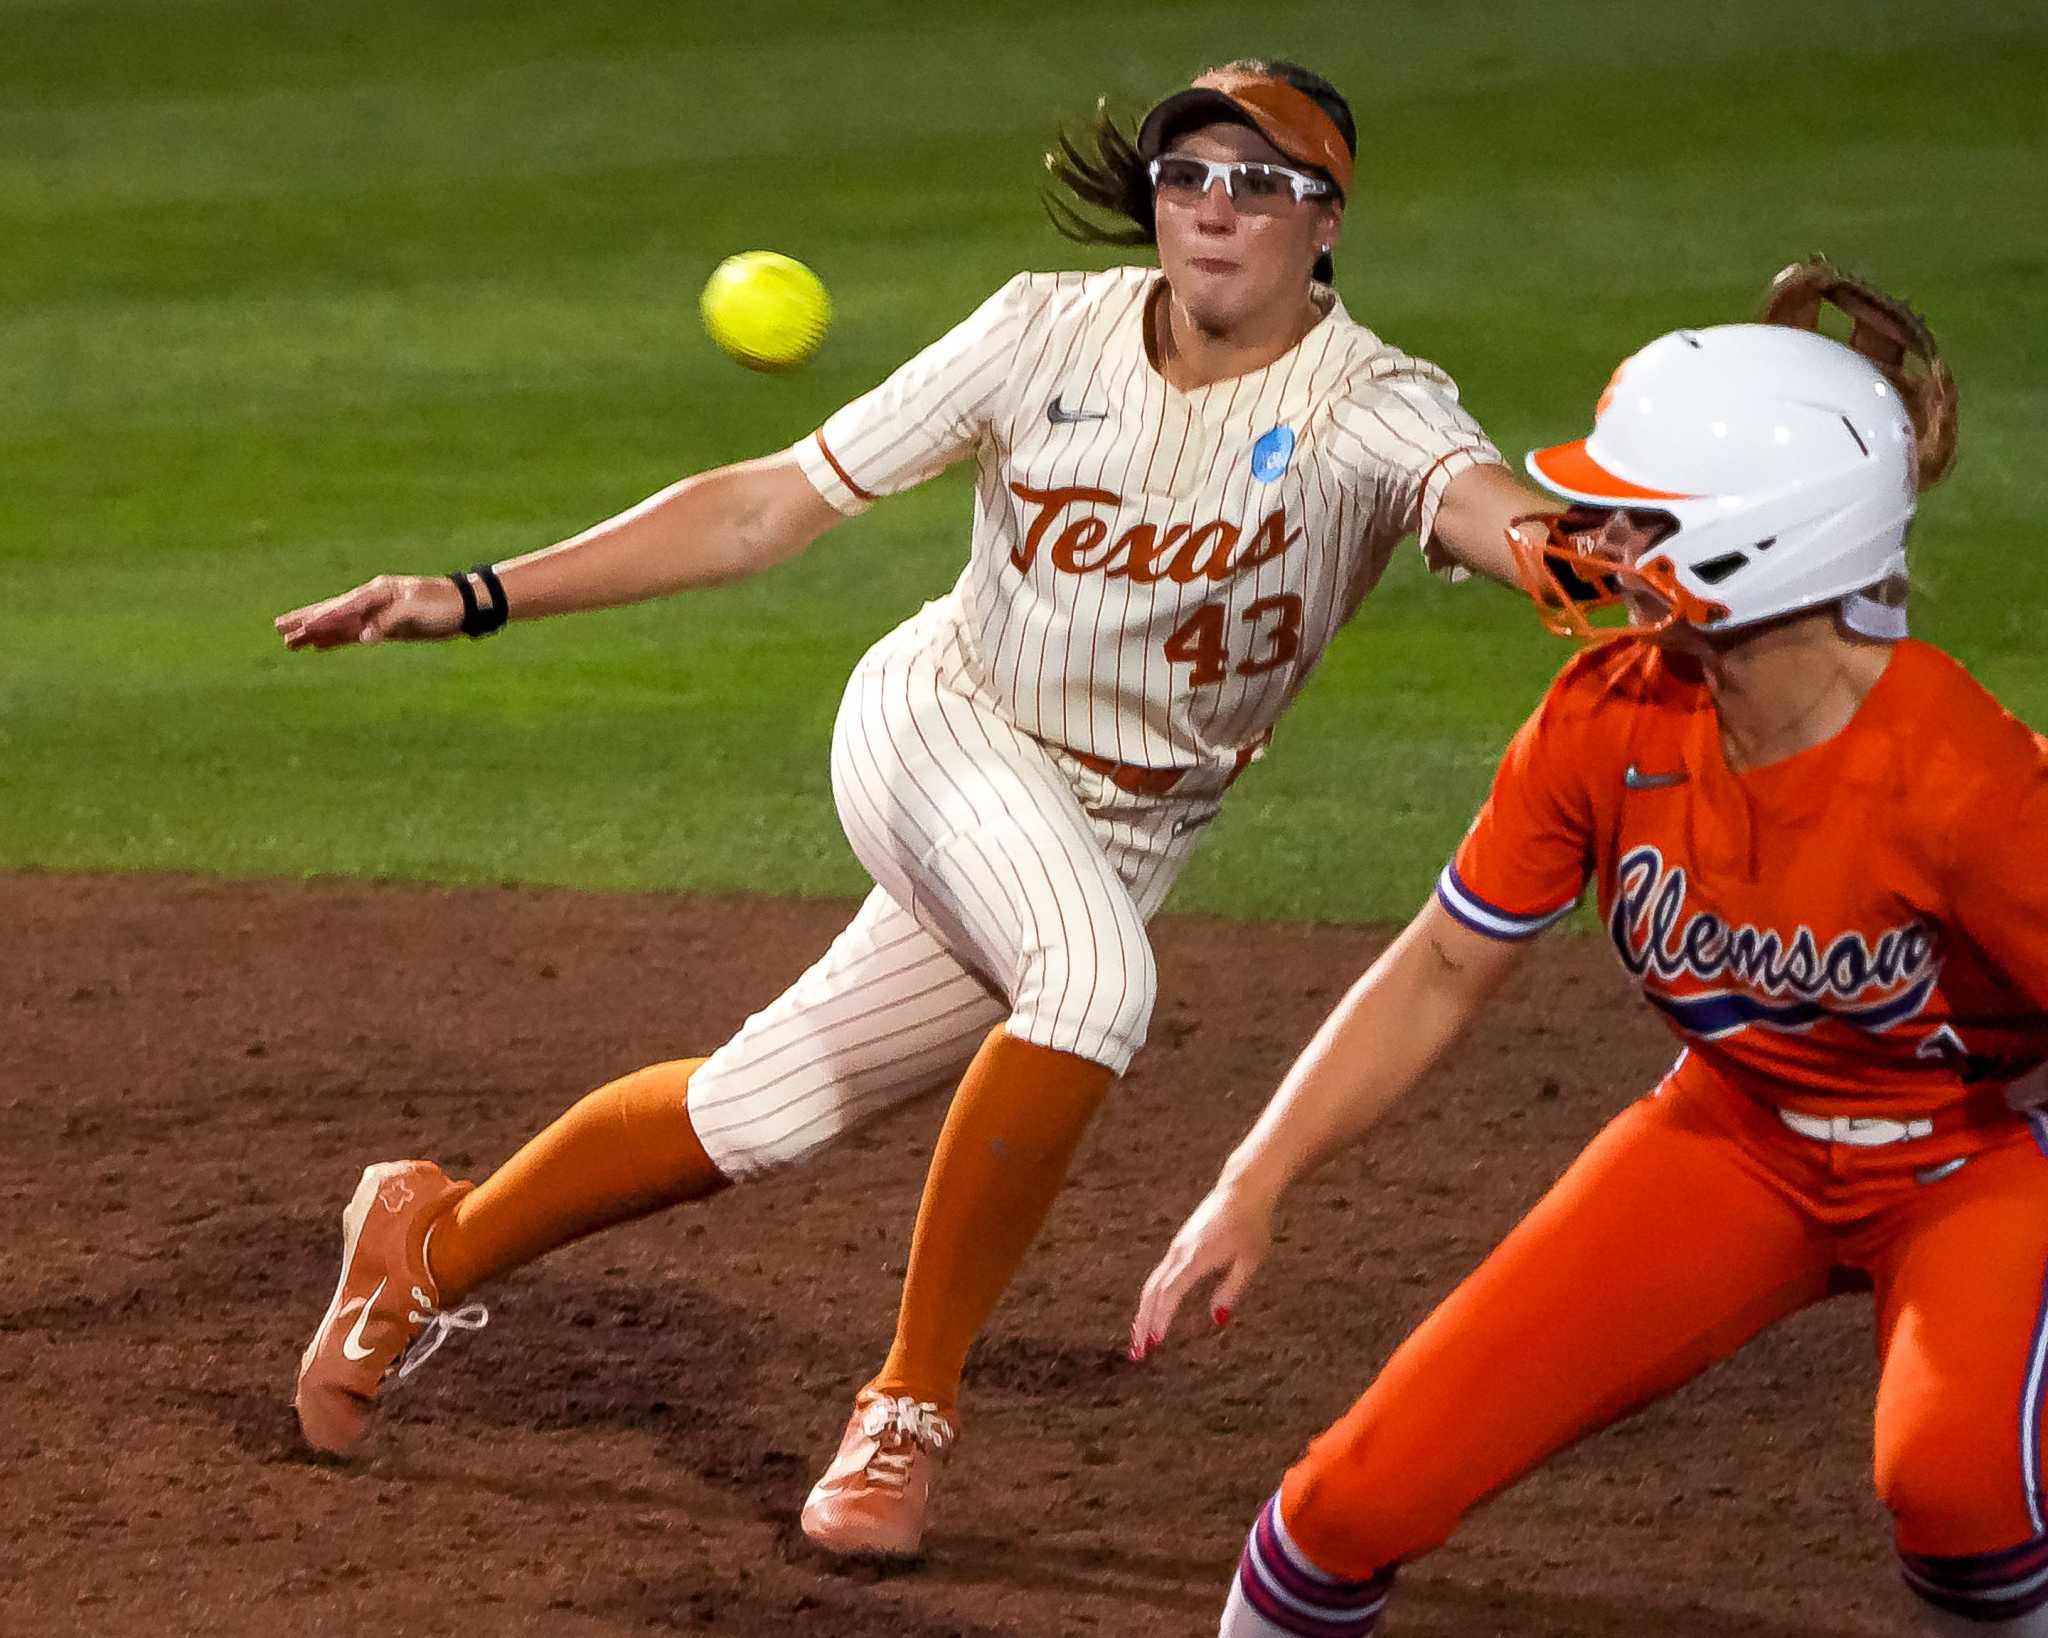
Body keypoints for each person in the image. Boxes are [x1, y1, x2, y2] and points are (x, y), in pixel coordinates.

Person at [276, 59, 1559, 1559]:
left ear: (1327, 220)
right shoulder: (1038, 329)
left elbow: (1490, 505)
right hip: (941, 728)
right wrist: (478, 594)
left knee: (758, 1110)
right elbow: (768, 505)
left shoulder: (1367, 403)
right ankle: (904, 1412)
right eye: (1190, 174)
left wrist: (1589, 561)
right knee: (1092, 985)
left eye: (1264, 183)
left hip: (1119, 832)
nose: (1217, 210)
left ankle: (423, 1244)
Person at [1133, 286, 2048, 1637]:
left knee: (1959, 1488)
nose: (1591, 541)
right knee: (1347, 1501)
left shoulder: (1969, 789)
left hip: (1977, 1160)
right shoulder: (1606, 716)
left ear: (1765, 541)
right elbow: (1443, 963)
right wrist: (1251, 1179)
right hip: (1736, 1138)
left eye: (1640, 518)